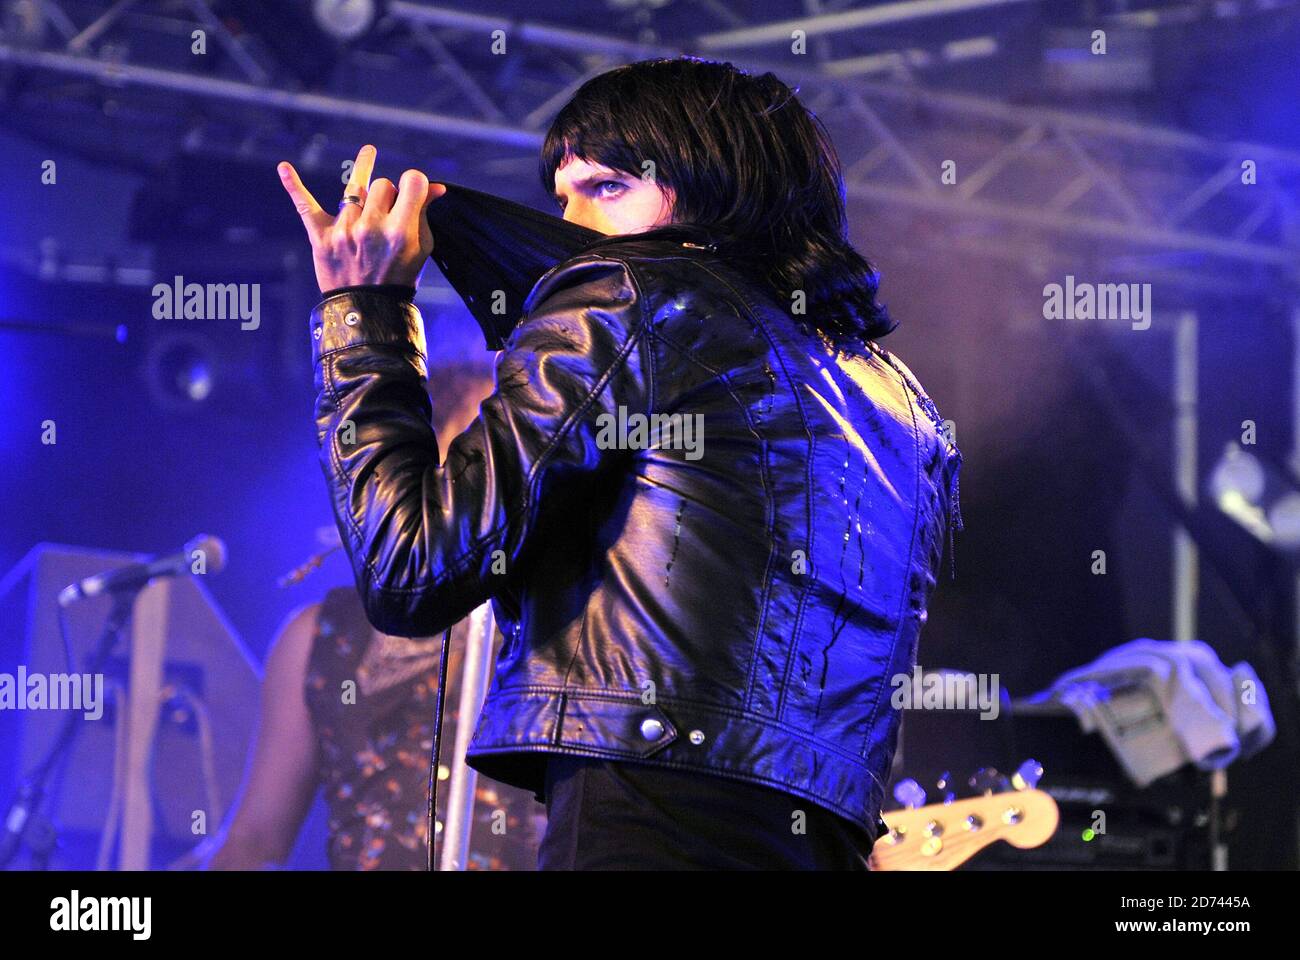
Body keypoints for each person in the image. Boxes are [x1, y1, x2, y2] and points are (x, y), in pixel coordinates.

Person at [278, 56, 962, 870]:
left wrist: (365, 314)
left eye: (605, 188)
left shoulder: (627, 288)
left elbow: (413, 569)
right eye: (561, 197)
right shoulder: (907, 406)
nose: (574, 225)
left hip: (645, 816)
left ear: (715, 186)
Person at [181, 365, 541, 871]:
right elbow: (256, 840)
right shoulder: (319, 637)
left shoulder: (553, 628)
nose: (492, 483)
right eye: (474, 456)